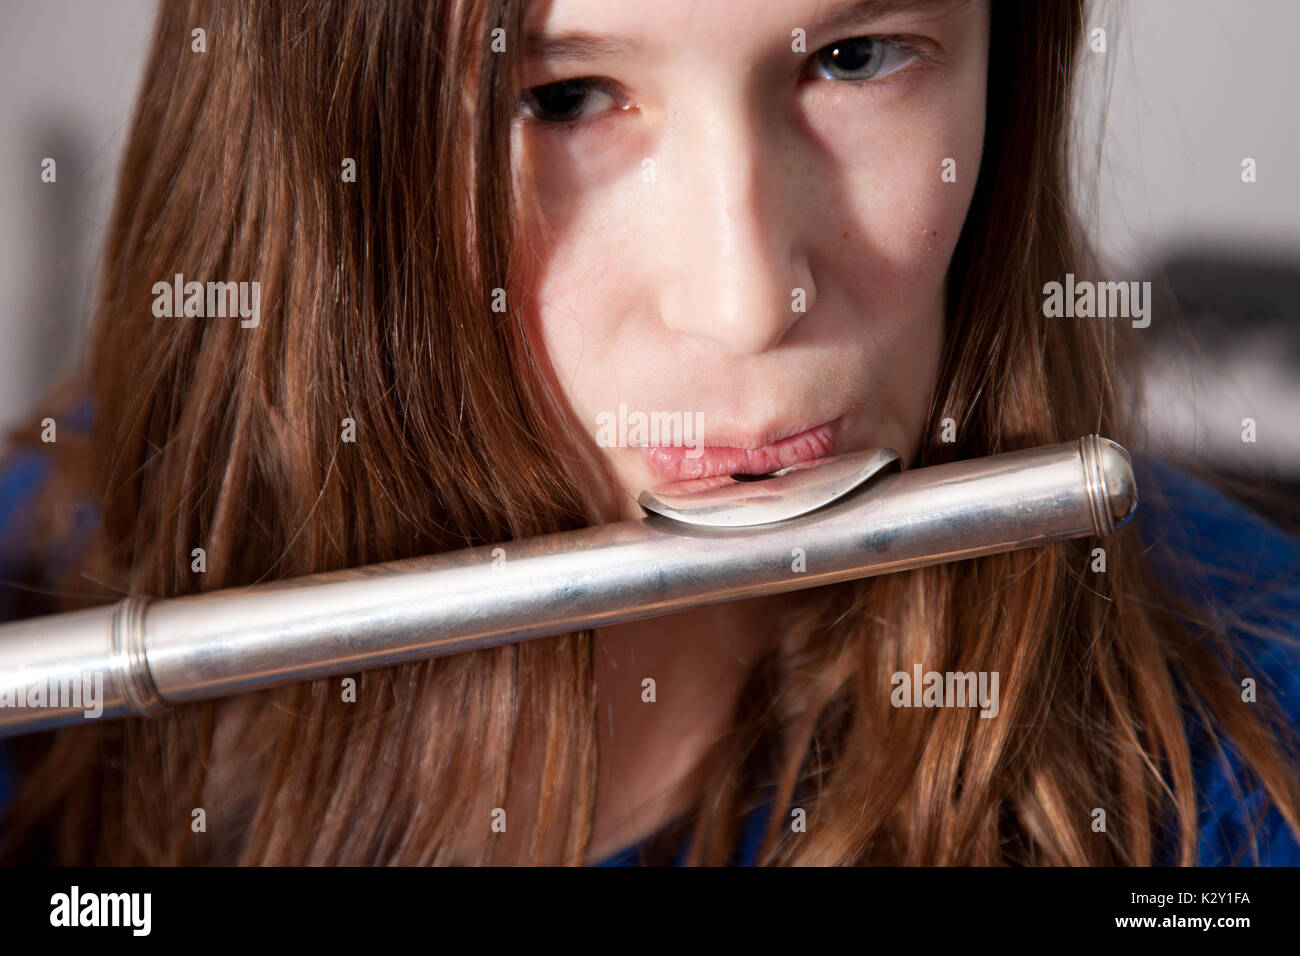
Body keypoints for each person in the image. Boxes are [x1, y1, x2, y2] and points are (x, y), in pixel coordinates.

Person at [0, 0, 1297, 866]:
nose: (745, 304)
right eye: (562, 98)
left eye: (855, 58)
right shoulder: (47, 571)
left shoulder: (1250, 742)